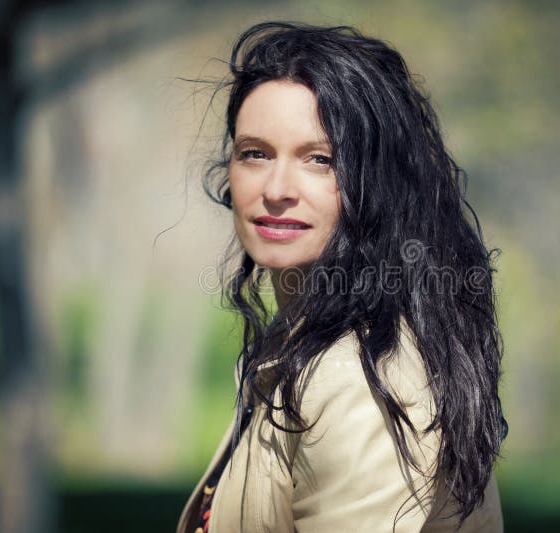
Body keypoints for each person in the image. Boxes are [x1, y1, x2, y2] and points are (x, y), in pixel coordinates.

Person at [177, 21, 508, 533]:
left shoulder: (359, 378)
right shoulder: (296, 346)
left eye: (320, 160)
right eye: (255, 153)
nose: (277, 187)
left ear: (375, 182)